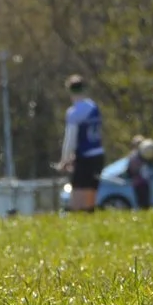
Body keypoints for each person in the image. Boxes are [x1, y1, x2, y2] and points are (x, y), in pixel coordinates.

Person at [59, 76, 103, 213]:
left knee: (78, 197)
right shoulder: (94, 107)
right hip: (98, 154)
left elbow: (70, 139)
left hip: (85, 157)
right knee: (91, 194)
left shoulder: (74, 112)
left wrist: (65, 160)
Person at [126, 141, 153, 211]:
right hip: (138, 182)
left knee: (146, 201)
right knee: (141, 201)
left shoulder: (144, 154)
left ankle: (145, 211)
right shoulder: (134, 156)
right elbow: (132, 169)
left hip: (144, 182)